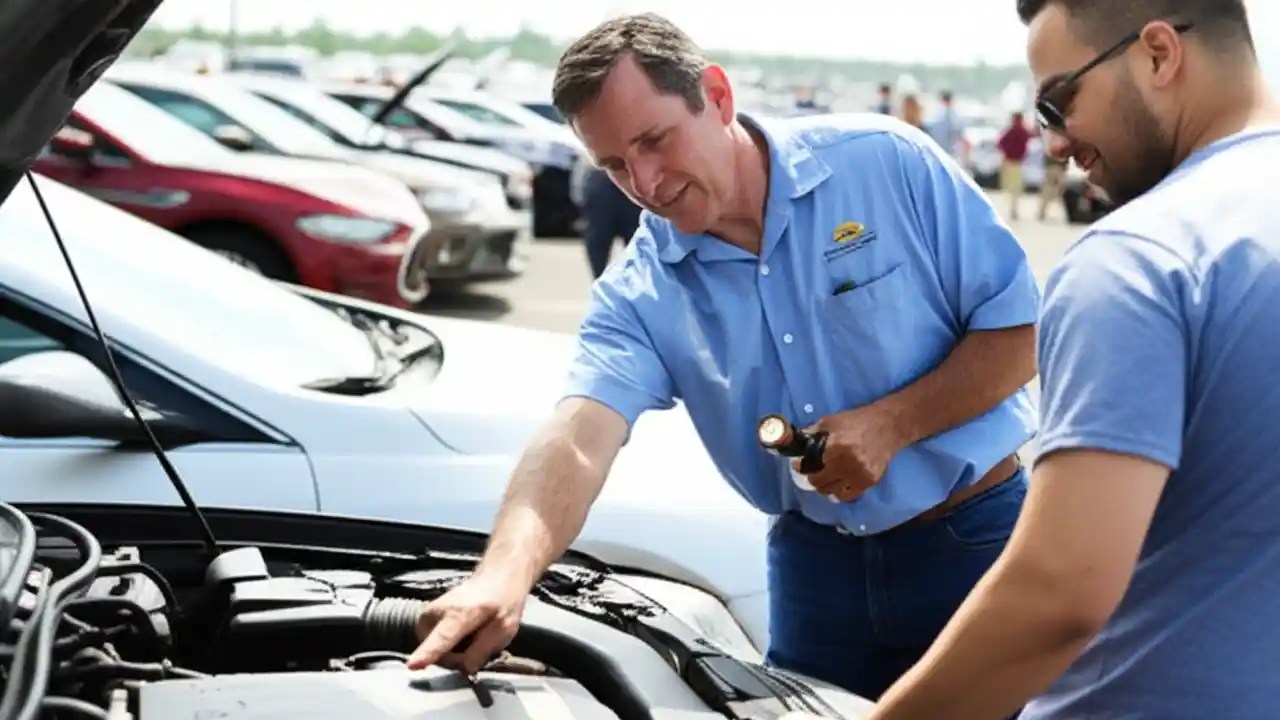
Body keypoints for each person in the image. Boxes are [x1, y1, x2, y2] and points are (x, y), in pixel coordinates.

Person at [406, 12, 1041, 701]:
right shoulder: (639, 287)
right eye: (615, 165)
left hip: (973, 542)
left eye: (654, 140)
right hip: (814, 570)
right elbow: (578, 438)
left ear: (717, 96)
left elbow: (1022, 333)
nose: (645, 183)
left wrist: (893, 423)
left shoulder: (884, 164)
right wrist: (502, 576)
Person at [871, 0, 1280, 717]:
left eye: (1059, 102)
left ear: (1158, 55)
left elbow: (1058, 594)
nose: (1055, 145)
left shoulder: (1139, 260)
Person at [997, 111, 1034, 220]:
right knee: (1015, 188)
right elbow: (1031, 136)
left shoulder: (1011, 130)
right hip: (1017, 162)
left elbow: (1000, 143)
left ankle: (1011, 210)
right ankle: (1013, 210)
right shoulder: (1022, 130)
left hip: (1009, 161)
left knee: (1009, 187)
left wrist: (1006, 153)